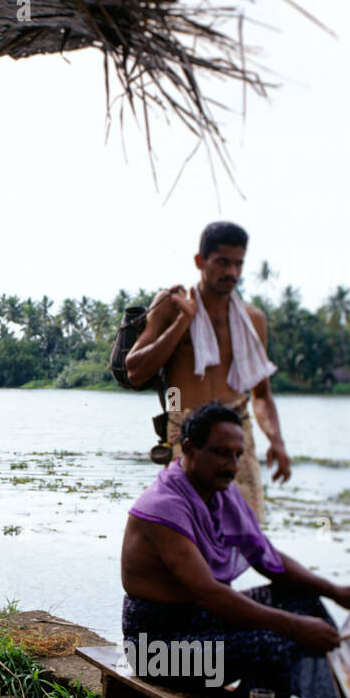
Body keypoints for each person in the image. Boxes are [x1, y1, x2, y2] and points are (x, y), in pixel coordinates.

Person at [120, 402, 350, 698]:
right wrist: (295, 627)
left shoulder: (221, 494)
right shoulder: (164, 506)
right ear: (190, 448)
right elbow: (209, 593)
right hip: (156, 653)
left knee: (299, 600)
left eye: (237, 455)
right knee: (272, 644)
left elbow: (269, 560)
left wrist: (334, 591)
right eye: (221, 453)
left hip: (201, 625)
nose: (231, 466)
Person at [125, 221, 289, 523]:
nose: (232, 273)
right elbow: (135, 370)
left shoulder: (253, 320)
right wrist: (182, 323)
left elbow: (261, 393)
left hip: (236, 433)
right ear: (200, 262)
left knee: (240, 531)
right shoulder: (171, 306)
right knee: (185, 529)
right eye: (222, 262)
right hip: (187, 433)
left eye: (238, 264)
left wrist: (276, 441)